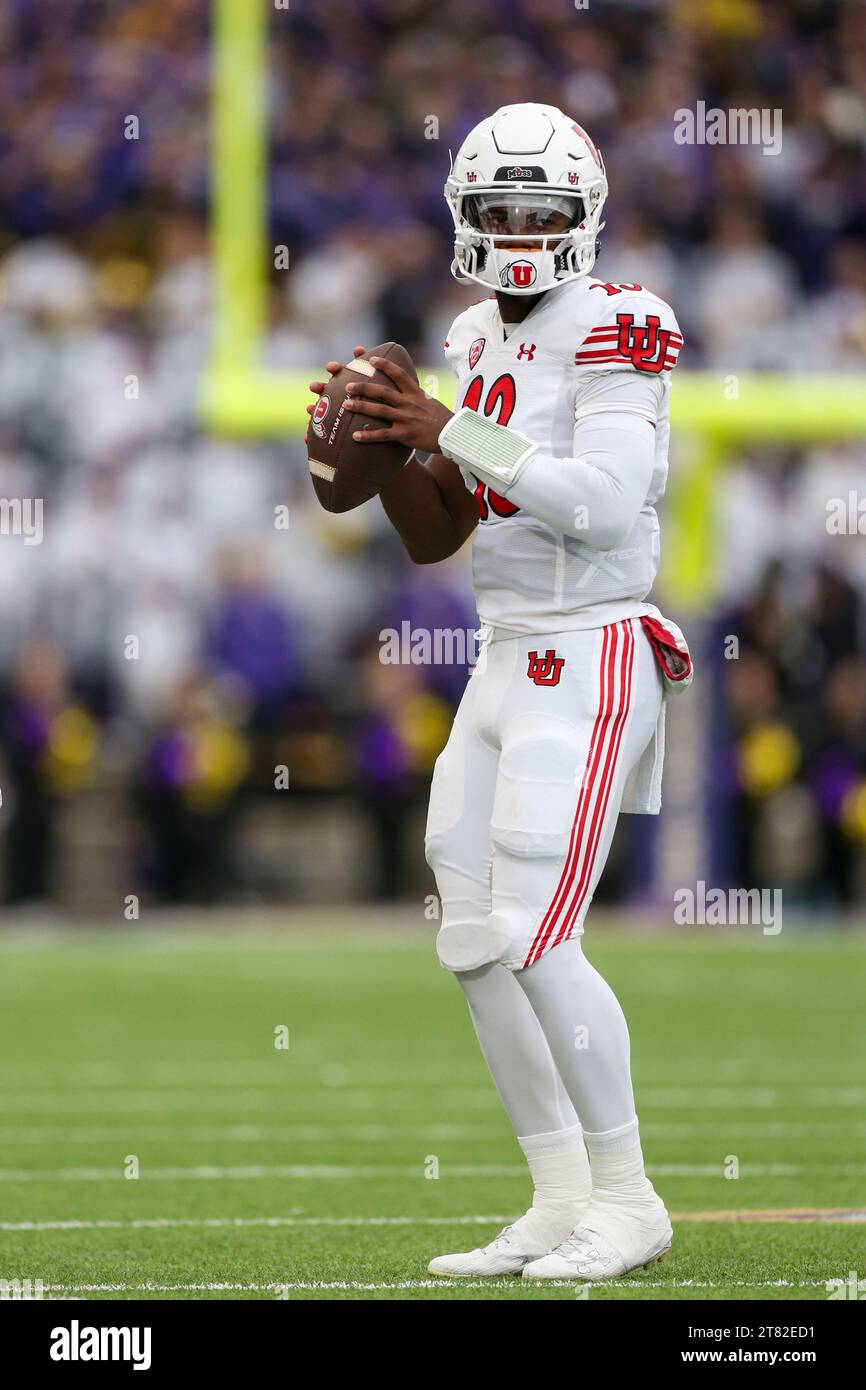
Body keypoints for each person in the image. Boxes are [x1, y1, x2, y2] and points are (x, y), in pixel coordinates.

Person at [308, 103, 693, 1282]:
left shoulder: (624, 320)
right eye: (501, 210)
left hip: (590, 648)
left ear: (582, 218)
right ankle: (557, 1192)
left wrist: (445, 426)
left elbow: (604, 502)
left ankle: (628, 1199)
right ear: (466, 219)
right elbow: (441, 537)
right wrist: (379, 450)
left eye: (542, 211)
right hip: (501, 649)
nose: (521, 231)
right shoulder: (473, 337)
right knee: (473, 937)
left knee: (534, 929)